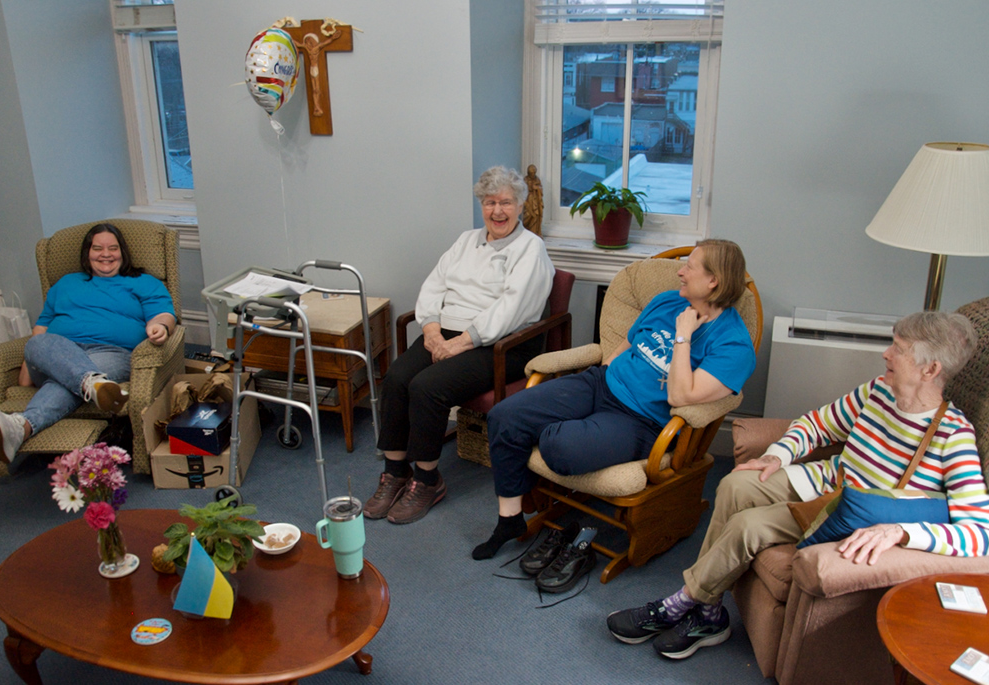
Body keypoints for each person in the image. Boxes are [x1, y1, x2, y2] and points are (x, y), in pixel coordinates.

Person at [607, 310, 989, 661]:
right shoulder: (878, 391)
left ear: (930, 369)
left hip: (847, 513)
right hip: (824, 482)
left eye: (899, 349)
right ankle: (708, 612)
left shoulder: (953, 436)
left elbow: (979, 533)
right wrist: (779, 455)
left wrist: (900, 532)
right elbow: (818, 424)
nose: (886, 354)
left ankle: (682, 601)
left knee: (746, 526)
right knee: (737, 484)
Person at [472, 239, 757, 561]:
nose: (680, 272)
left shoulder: (734, 346)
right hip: (599, 385)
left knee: (559, 447)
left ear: (713, 280)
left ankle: (564, 433)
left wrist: (683, 336)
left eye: (689, 267)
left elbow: (680, 396)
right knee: (504, 415)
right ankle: (508, 520)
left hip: (641, 420)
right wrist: (606, 371)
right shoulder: (665, 301)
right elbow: (628, 343)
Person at [363, 166, 555, 525]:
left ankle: (427, 479)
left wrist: (464, 342)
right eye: (490, 202)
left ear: (521, 206)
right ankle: (395, 472)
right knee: (396, 376)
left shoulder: (531, 249)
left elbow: (512, 310)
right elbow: (434, 286)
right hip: (447, 333)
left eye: (506, 203)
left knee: (428, 387)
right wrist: (432, 330)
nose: (498, 211)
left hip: (501, 344)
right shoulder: (466, 240)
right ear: (481, 205)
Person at [0, 223, 177, 464]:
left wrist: (160, 327)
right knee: (38, 343)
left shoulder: (144, 282)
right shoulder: (66, 283)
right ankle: (92, 384)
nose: (106, 254)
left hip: (111, 353)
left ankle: (20, 427)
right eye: (97, 248)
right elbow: (42, 327)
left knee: (66, 379)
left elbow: (164, 314)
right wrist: (27, 366)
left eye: (113, 248)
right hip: (54, 353)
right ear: (87, 253)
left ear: (123, 252)